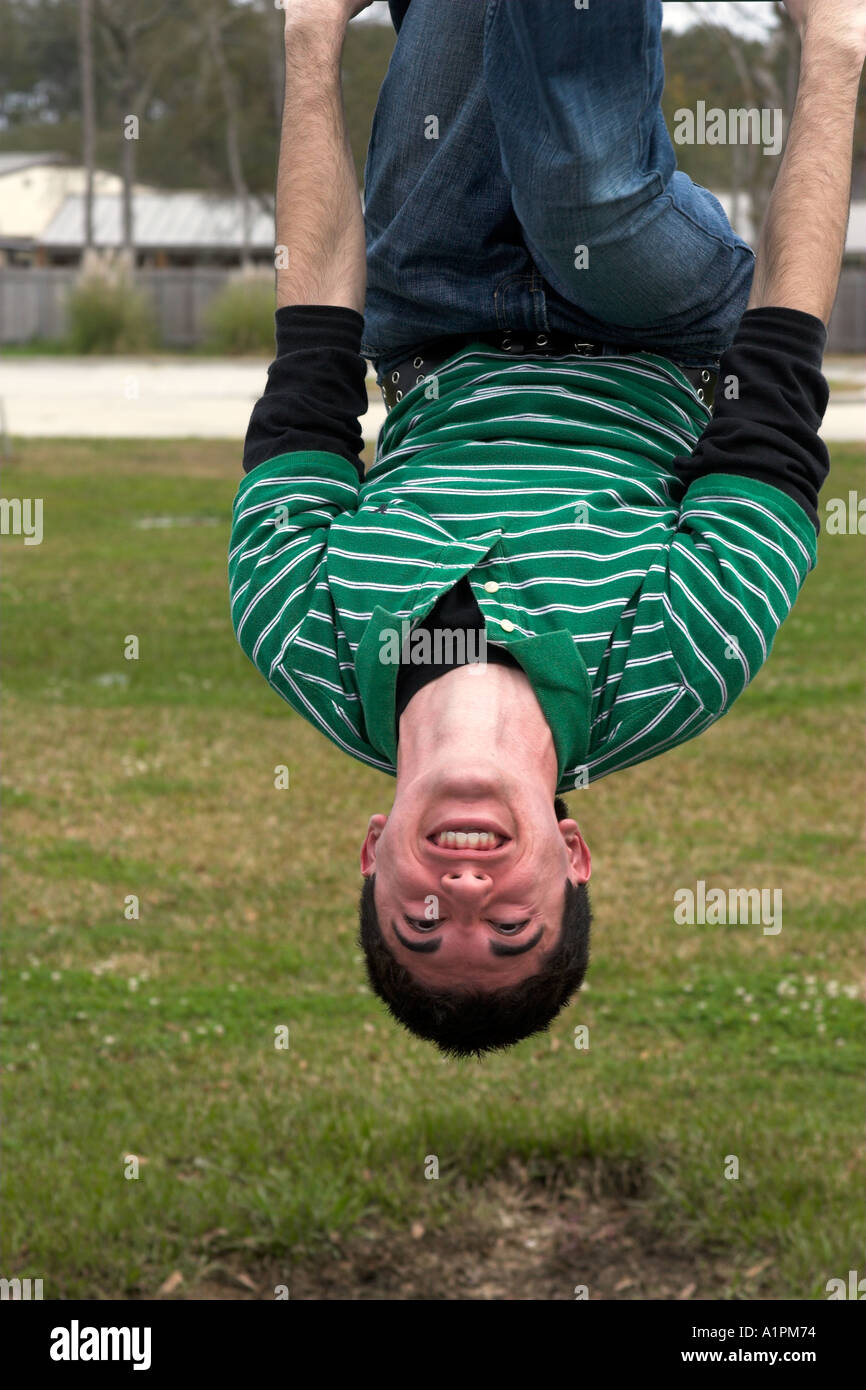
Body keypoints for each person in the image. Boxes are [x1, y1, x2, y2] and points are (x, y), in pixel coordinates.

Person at [228, 0, 865, 1055]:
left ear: (371, 853)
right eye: (508, 922)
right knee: (582, 182)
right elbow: (778, 382)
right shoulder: (673, 665)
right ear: (570, 855)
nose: (464, 891)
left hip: (429, 302)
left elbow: (311, 359)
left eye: (421, 922)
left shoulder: (300, 636)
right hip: (641, 320)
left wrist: (307, 34)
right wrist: (833, 50)